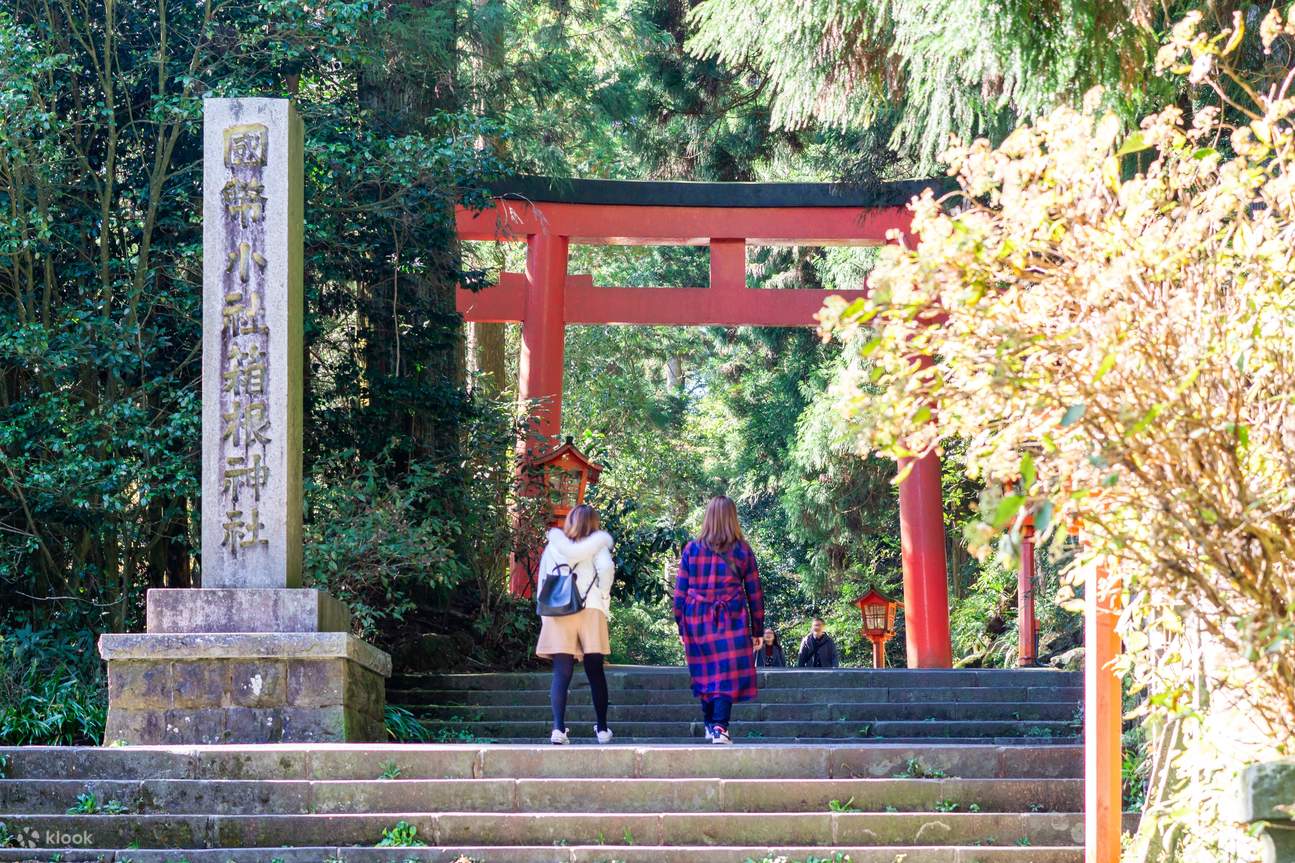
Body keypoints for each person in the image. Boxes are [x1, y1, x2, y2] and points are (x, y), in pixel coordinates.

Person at [674, 495, 765, 745]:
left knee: (705, 672)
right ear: (732, 518)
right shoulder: (742, 551)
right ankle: (719, 727)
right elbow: (754, 591)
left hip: (696, 618)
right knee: (724, 673)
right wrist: (757, 628)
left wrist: (680, 623)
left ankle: (711, 724)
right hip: (731, 617)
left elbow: (680, 591)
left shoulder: (691, 549)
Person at [535, 504, 616, 745]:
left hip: (559, 611)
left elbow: (543, 578)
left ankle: (558, 729)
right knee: (595, 672)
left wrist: (545, 613)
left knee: (562, 672)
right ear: (593, 523)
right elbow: (606, 569)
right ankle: (602, 729)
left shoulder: (554, 546)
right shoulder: (597, 546)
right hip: (591, 609)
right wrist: (602, 595)